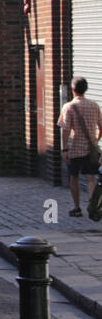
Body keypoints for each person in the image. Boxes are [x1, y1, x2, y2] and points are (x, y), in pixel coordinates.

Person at [58, 76, 102, 218]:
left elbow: (65, 130)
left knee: (74, 177)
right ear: (86, 89)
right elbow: (101, 127)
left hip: (75, 149)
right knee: (91, 178)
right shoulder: (94, 105)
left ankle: (77, 208)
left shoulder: (68, 107)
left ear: (72, 90)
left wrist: (64, 149)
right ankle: (92, 205)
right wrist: (96, 140)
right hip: (91, 150)